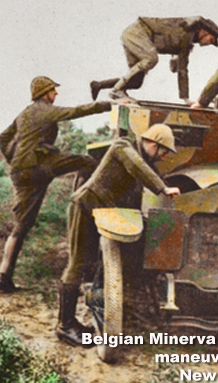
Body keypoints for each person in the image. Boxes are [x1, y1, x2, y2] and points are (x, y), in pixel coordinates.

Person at [56, 123, 181, 345]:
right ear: (152, 142)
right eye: (163, 151)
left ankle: (87, 317)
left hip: (102, 212)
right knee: (76, 265)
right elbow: (138, 167)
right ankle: (64, 325)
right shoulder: (123, 147)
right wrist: (163, 188)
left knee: (92, 265)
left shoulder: (144, 159)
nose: (163, 157)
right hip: (84, 207)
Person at [0, 76, 112, 293]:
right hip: (39, 167)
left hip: (21, 174)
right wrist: (109, 105)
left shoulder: (24, 113)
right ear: (44, 93)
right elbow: (76, 111)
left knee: (20, 227)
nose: (56, 94)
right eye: (53, 91)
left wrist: (15, 161)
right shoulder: (45, 110)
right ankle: (85, 201)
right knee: (85, 161)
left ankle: (3, 278)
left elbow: (3, 138)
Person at [90, 16, 218, 101]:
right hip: (139, 31)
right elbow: (201, 19)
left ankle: (99, 85)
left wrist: (185, 99)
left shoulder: (186, 46)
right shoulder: (190, 26)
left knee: (136, 82)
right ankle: (116, 90)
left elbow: (183, 71)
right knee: (151, 59)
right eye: (211, 39)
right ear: (205, 31)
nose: (208, 43)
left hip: (137, 38)